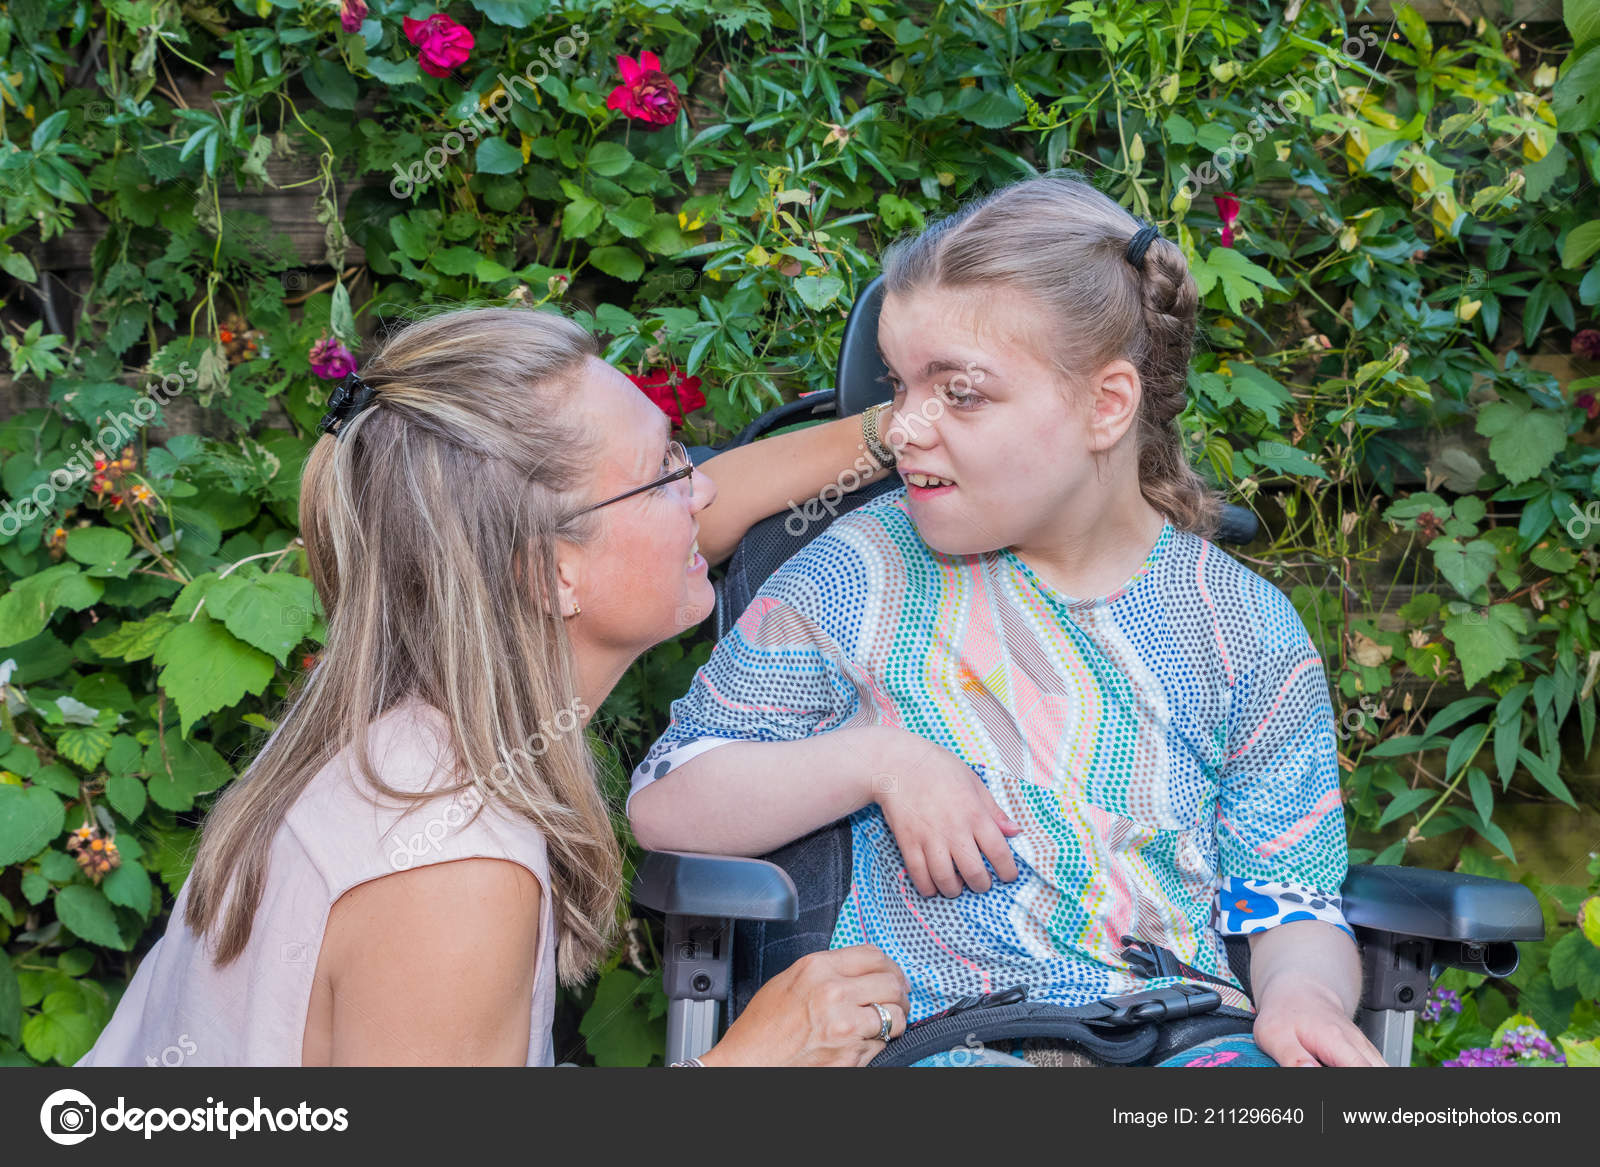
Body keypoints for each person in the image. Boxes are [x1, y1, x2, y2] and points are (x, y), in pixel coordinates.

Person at [626, 174, 1389, 1068]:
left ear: (1107, 405)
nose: (903, 427)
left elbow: (1288, 897)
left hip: (1188, 1039)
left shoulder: (1242, 626)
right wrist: (878, 760)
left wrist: (1303, 994)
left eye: (962, 393)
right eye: (902, 385)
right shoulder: (861, 570)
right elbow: (667, 802)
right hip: (948, 1041)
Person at [77, 306, 911, 1067]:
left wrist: (904, 425)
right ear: (550, 573)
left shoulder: (398, 736)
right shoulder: (449, 868)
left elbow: (699, 514)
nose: (702, 487)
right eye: (667, 470)